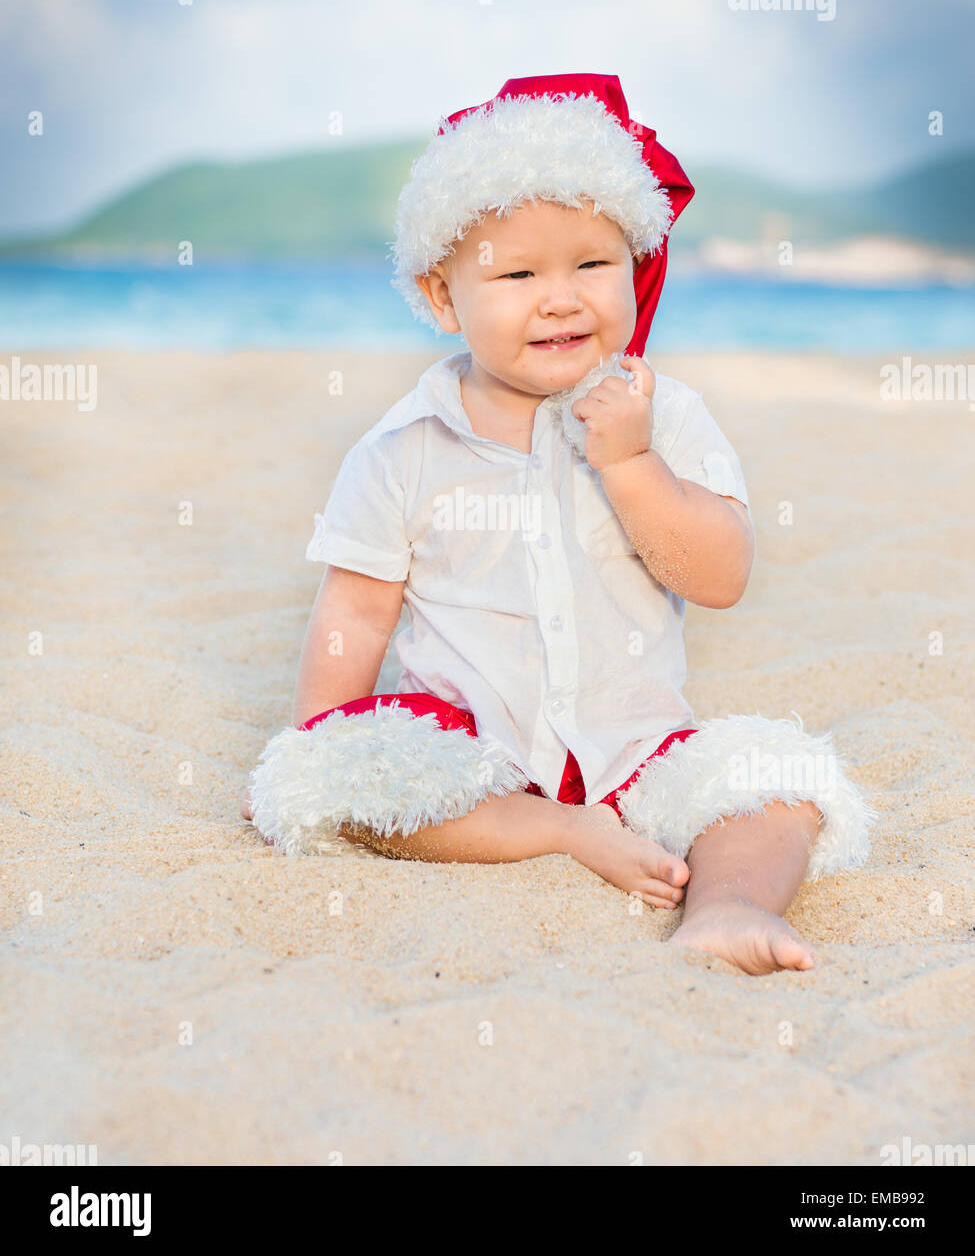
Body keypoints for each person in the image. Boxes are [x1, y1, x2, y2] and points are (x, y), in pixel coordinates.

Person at [244, 73, 876, 976]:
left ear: (636, 263)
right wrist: (314, 746)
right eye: (516, 273)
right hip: (473, 755)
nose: (560, 297)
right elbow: (355, 609)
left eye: (591, 263)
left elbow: (719, 576)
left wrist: (630, 463)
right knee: (354, 786)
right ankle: (556, 832)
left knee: (783, 787)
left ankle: (725, 907)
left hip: (637, 750)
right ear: (440, 295)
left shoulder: (668, 416)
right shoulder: (403, 447)